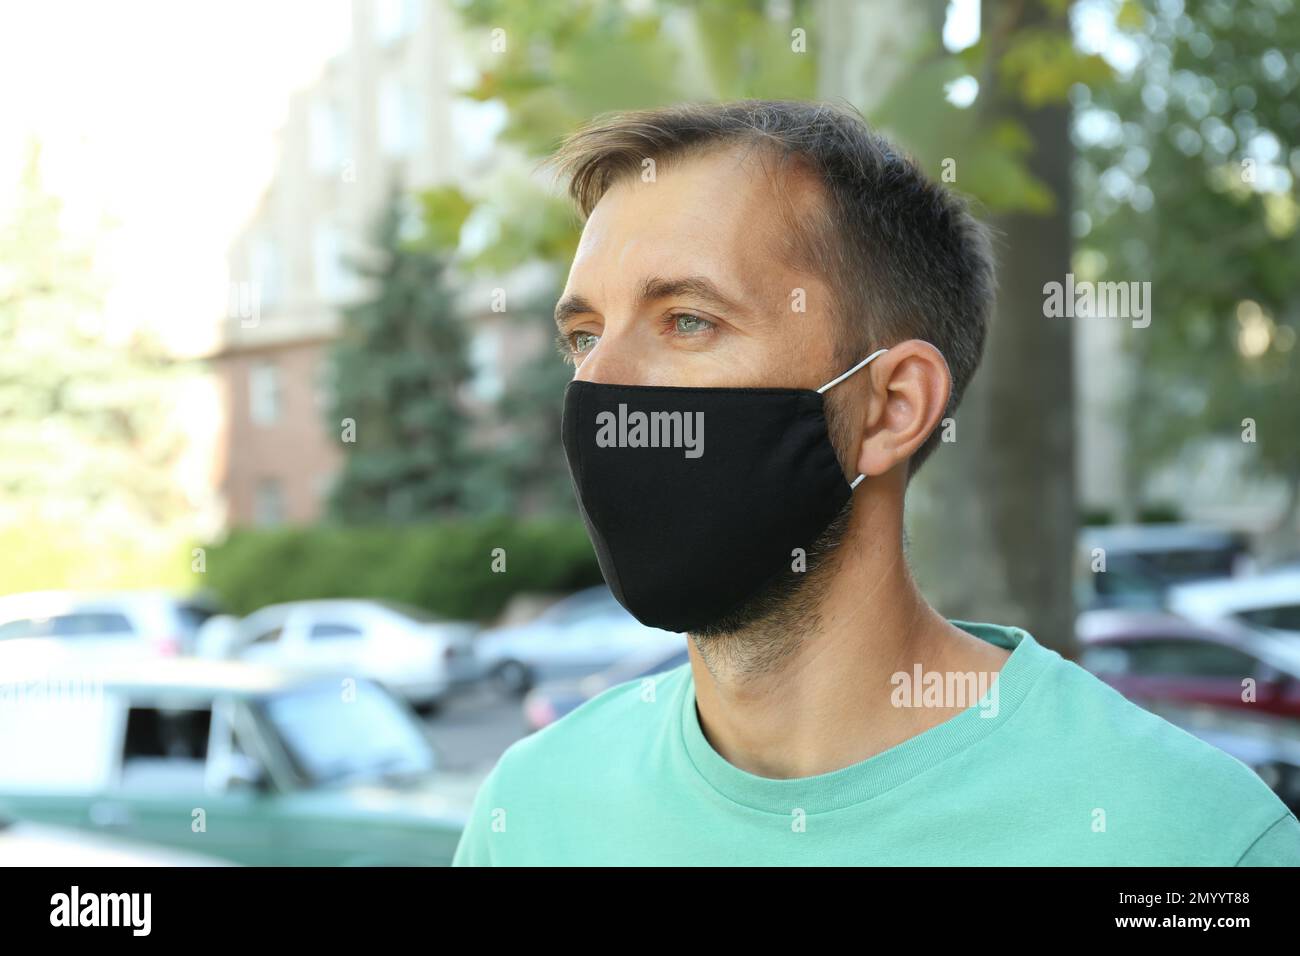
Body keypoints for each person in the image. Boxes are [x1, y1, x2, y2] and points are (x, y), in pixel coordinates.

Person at [452, 100, 1300, 866]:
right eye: (583, 335)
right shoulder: (530, 814)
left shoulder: (1190, 841)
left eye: (688, 321)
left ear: (893, 407)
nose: (601, 387)